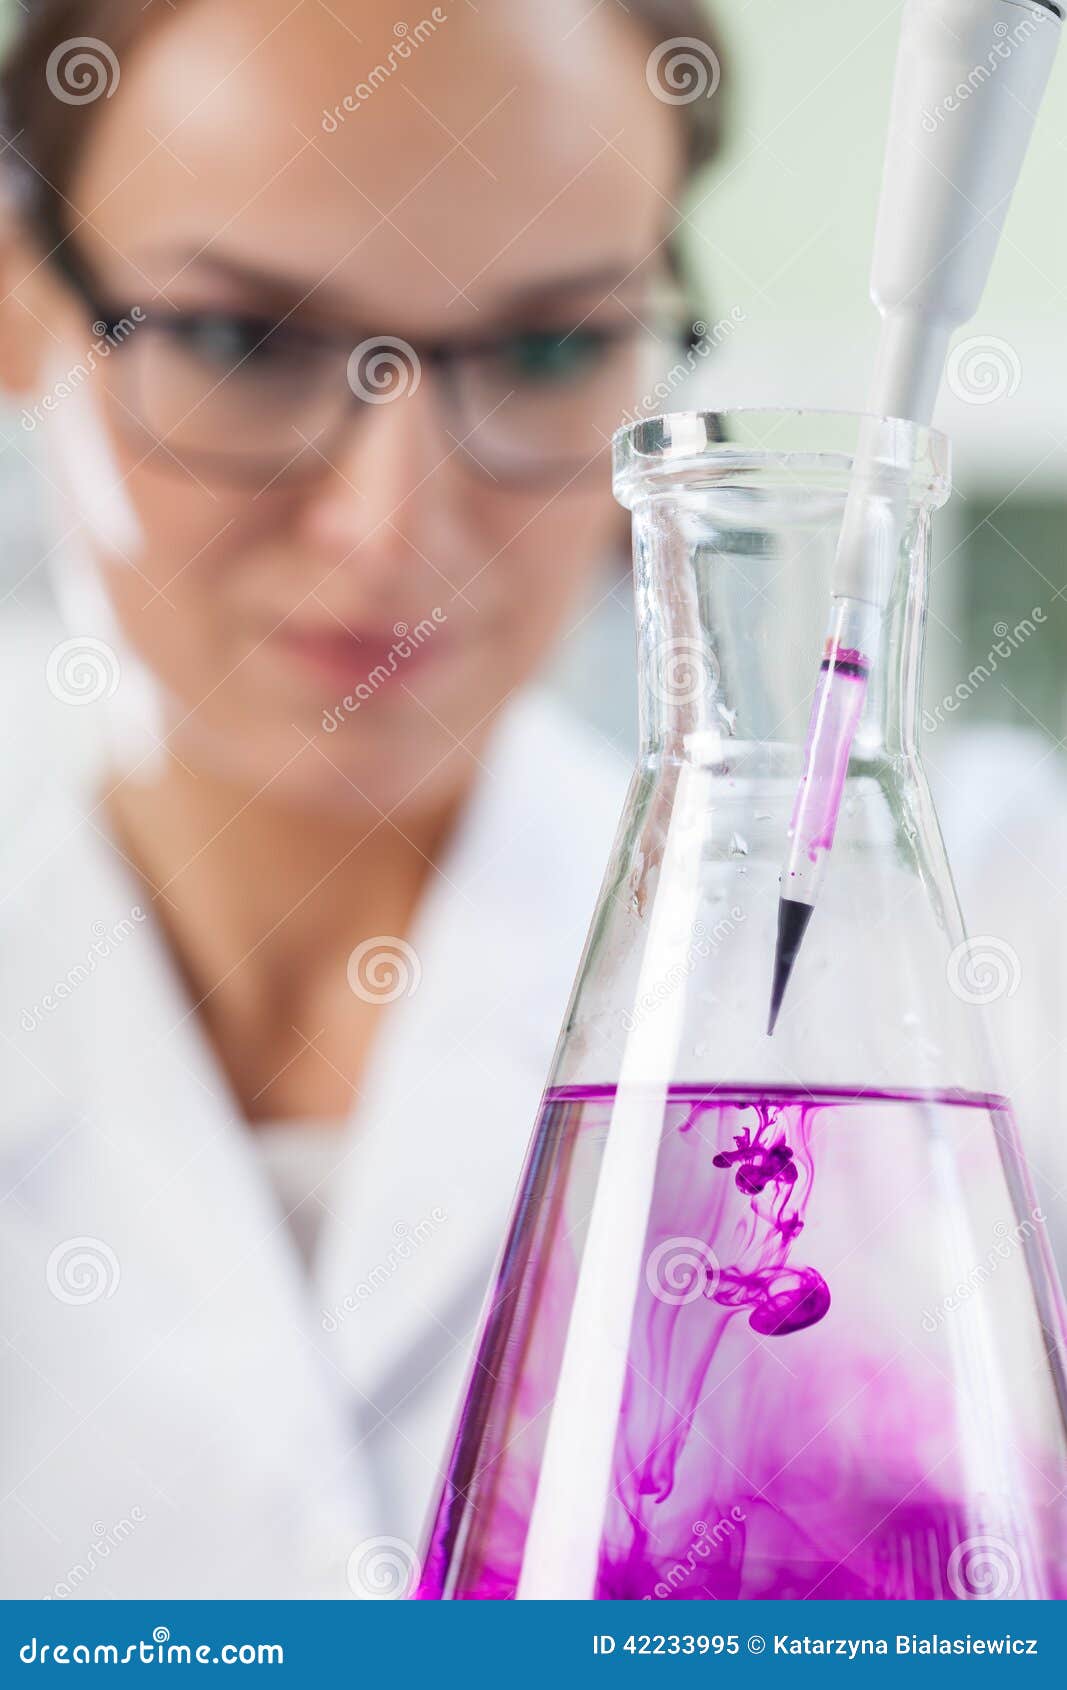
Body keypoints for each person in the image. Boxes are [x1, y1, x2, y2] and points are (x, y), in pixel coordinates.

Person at [0, 0, 727, 1597]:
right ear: (18, 307)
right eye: (241, 341)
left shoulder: (920, 1024)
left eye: (547, 348)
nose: (390, 530)